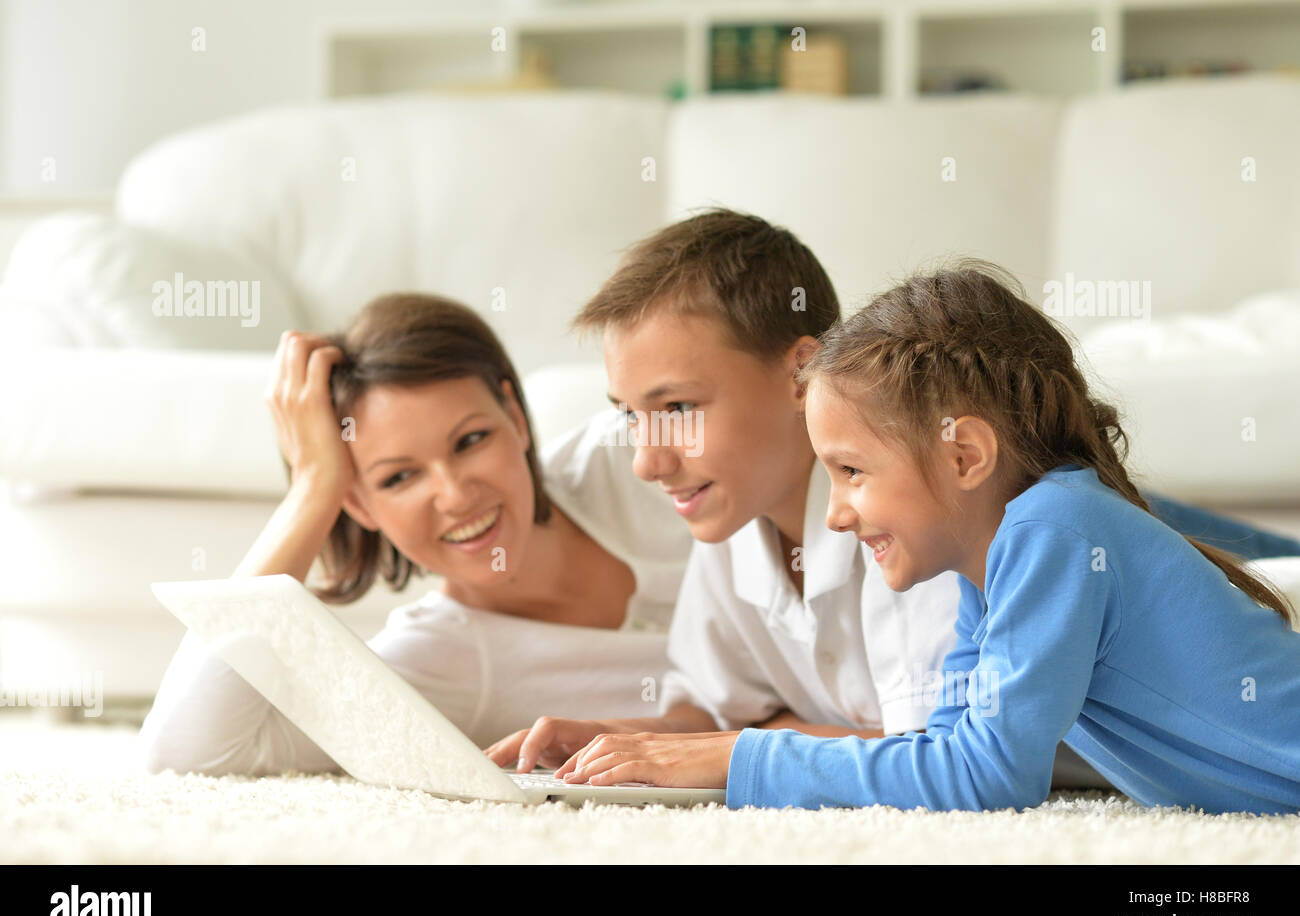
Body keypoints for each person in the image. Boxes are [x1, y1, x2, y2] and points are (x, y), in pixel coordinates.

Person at [489, 210, 1300, 799]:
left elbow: (976, 771)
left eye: (850, 470)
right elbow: (948, 744)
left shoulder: (1021, 527)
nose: (645, 457)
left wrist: (737, 755)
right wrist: (646, 743)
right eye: (629, 415)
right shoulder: (978, 559)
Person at [138, 292, 694, 774]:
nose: (454, 495)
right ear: (357, 504)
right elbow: (184, 752)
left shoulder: (636, 457)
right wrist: (311, 489)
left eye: (470, 440)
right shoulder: (442, 657)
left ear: (515, 419)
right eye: (399, 477)